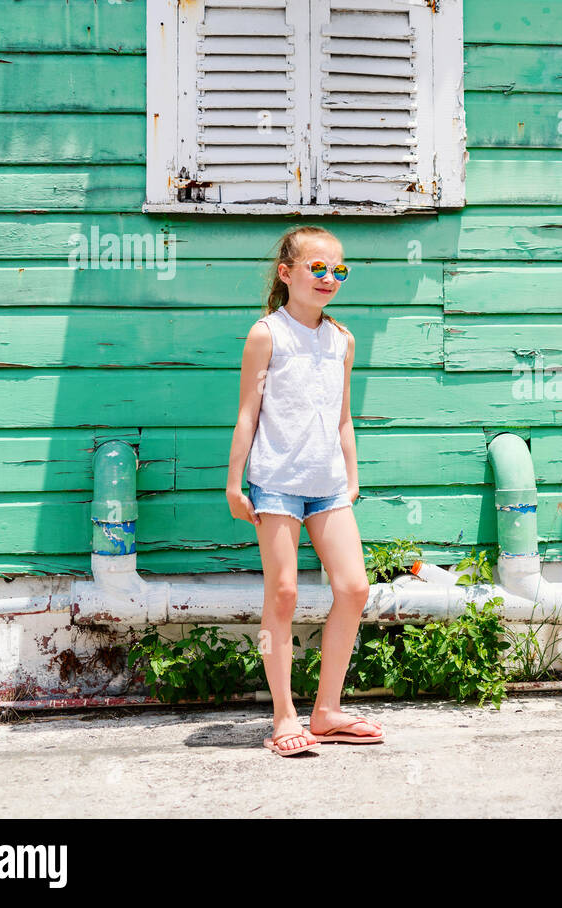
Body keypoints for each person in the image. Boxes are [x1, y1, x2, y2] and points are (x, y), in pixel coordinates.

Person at [226, 225, 385, 755]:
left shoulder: (342, 340)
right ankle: (284, 715)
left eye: (338, 270)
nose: (329, 279)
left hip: (329, 486)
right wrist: (233, 481)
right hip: (276, 486)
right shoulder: (266, 334)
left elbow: (342, 418)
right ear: (287, 272)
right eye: (317, 268)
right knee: (285, 594)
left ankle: (327, 711)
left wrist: (352, 473)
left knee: (354, 589)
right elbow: (248, 412)